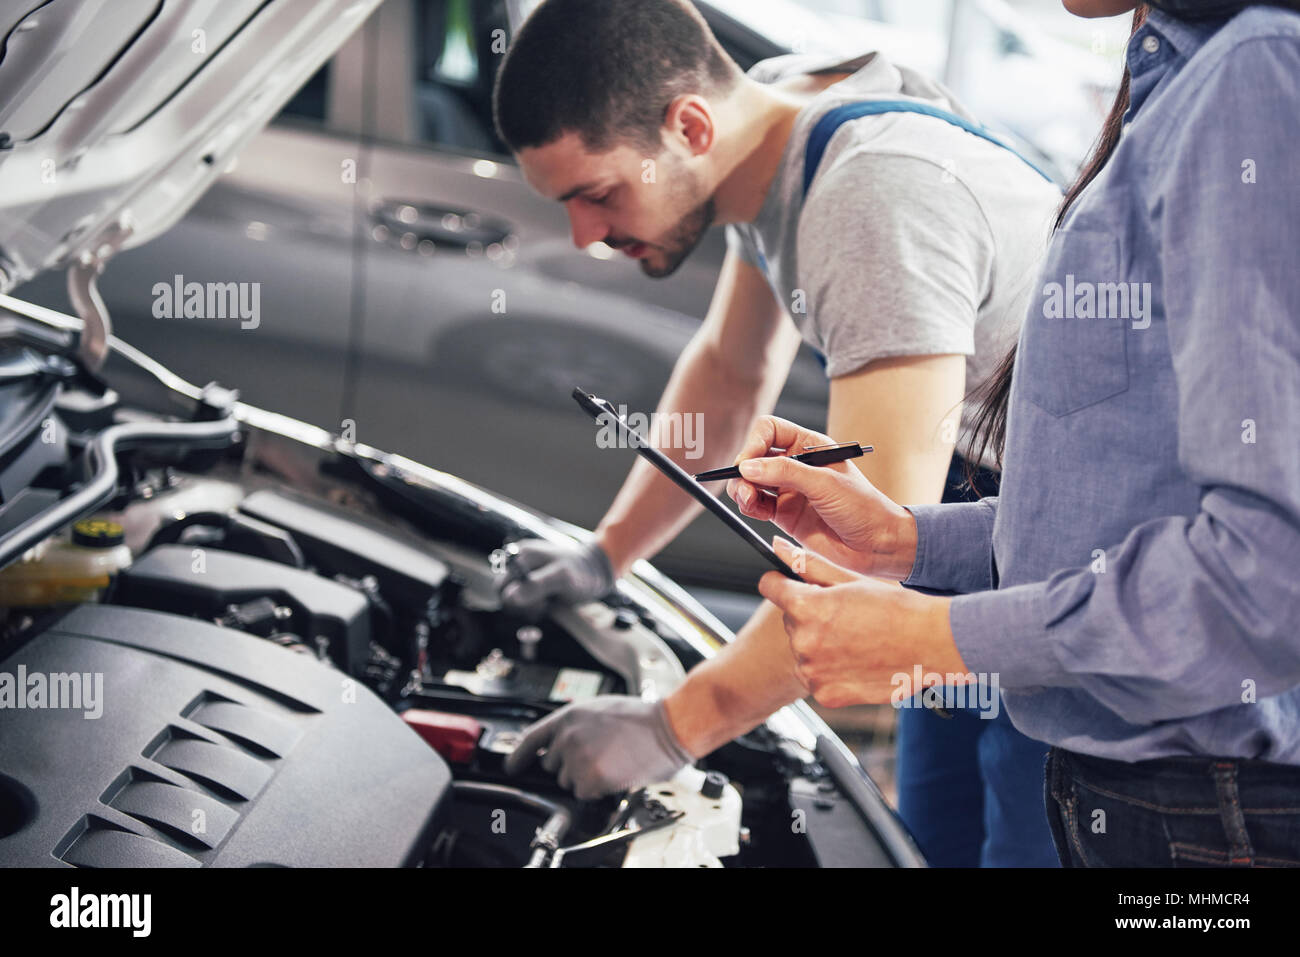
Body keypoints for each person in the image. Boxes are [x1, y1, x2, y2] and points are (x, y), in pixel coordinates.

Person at [718, 0, 1300, 866]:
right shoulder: (1180, 75)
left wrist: (929, 641)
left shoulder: (1255, 72)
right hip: (1156, 799)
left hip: (1208, 822)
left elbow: (1266, 577)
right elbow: (1130, 506)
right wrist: (907, 540)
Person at [490, 0, 1062, 865]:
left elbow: (850, 568)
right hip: (963, 540)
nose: (585, 237)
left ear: (687, 125)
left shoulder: (869, 196)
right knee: (934, 843)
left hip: (1062, 579)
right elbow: (730, 370)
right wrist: (606, 554)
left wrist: (671, 727)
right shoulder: (770, 114)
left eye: (596, 195)